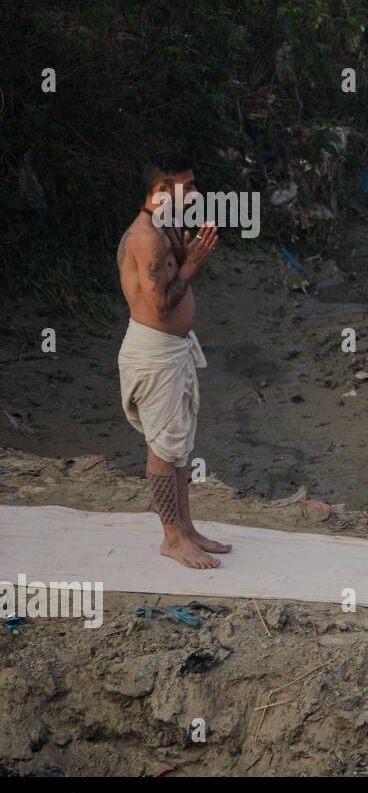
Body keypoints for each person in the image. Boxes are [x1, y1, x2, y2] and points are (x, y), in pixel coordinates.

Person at [116, 153, 228, 569]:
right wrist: (194, 264)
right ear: (162, 191)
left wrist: (189, 251)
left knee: (178, 447)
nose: (197, 194)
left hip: (173, 352)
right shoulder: (146, 237)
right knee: (163, 448)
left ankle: (188, 529)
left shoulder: (169, 227)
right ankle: (172, 538)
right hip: (154, 353)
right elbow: (161, 305)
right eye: (188, 186)